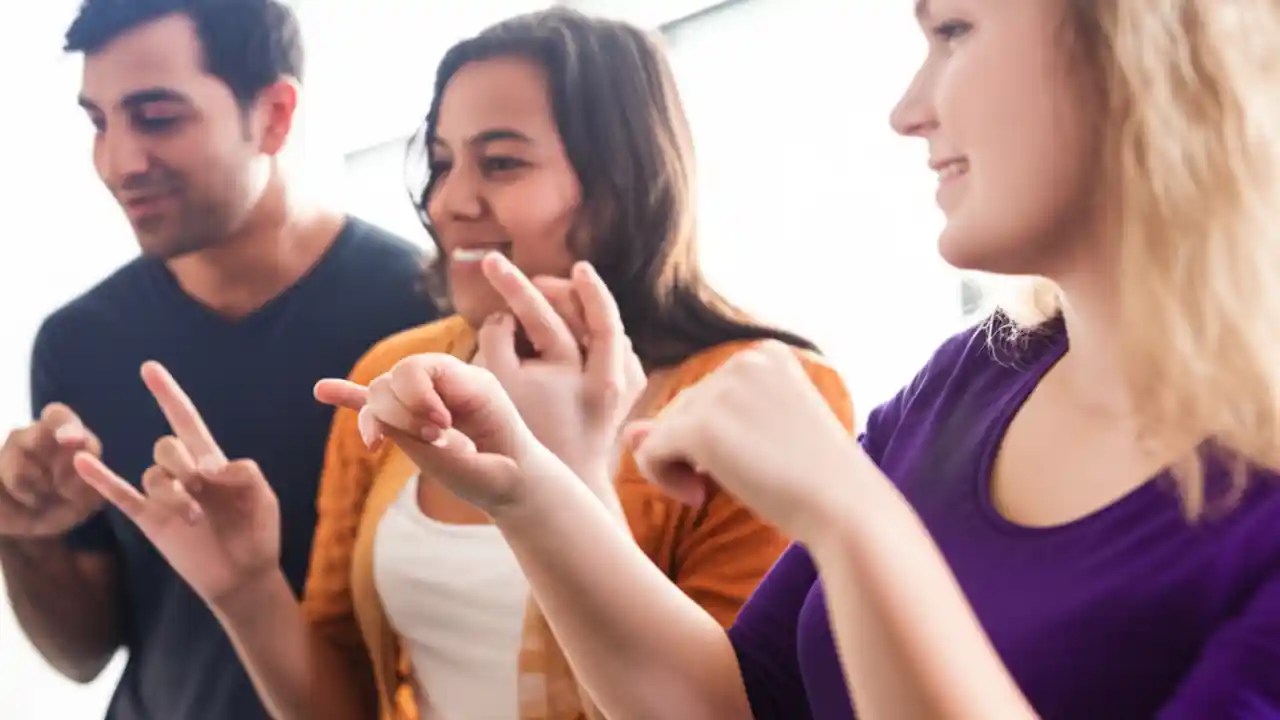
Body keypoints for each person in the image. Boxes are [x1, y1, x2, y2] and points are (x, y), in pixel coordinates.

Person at [299, 0, 1280, 718]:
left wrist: (852, 524)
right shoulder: (968, 383)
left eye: (953, 32)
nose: (908, 109)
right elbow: (728, 705)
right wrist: (530, 491)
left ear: (1150, 45)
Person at [72, 8, 855, 720]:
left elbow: (743, 707)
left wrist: (571, 479)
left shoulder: (761, 395)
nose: (450, 202)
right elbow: (340, 706)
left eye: (502, 163)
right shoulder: (400, 370)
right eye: (443, 163)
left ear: (624, 185)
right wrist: (244, 590)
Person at [0, 1, 436, 718]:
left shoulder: (422, 318)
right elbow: (82, 655)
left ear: (274, 114)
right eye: (99, 121)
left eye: (158, 117)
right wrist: (24, 540)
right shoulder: (77, 342)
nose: (118, 161)